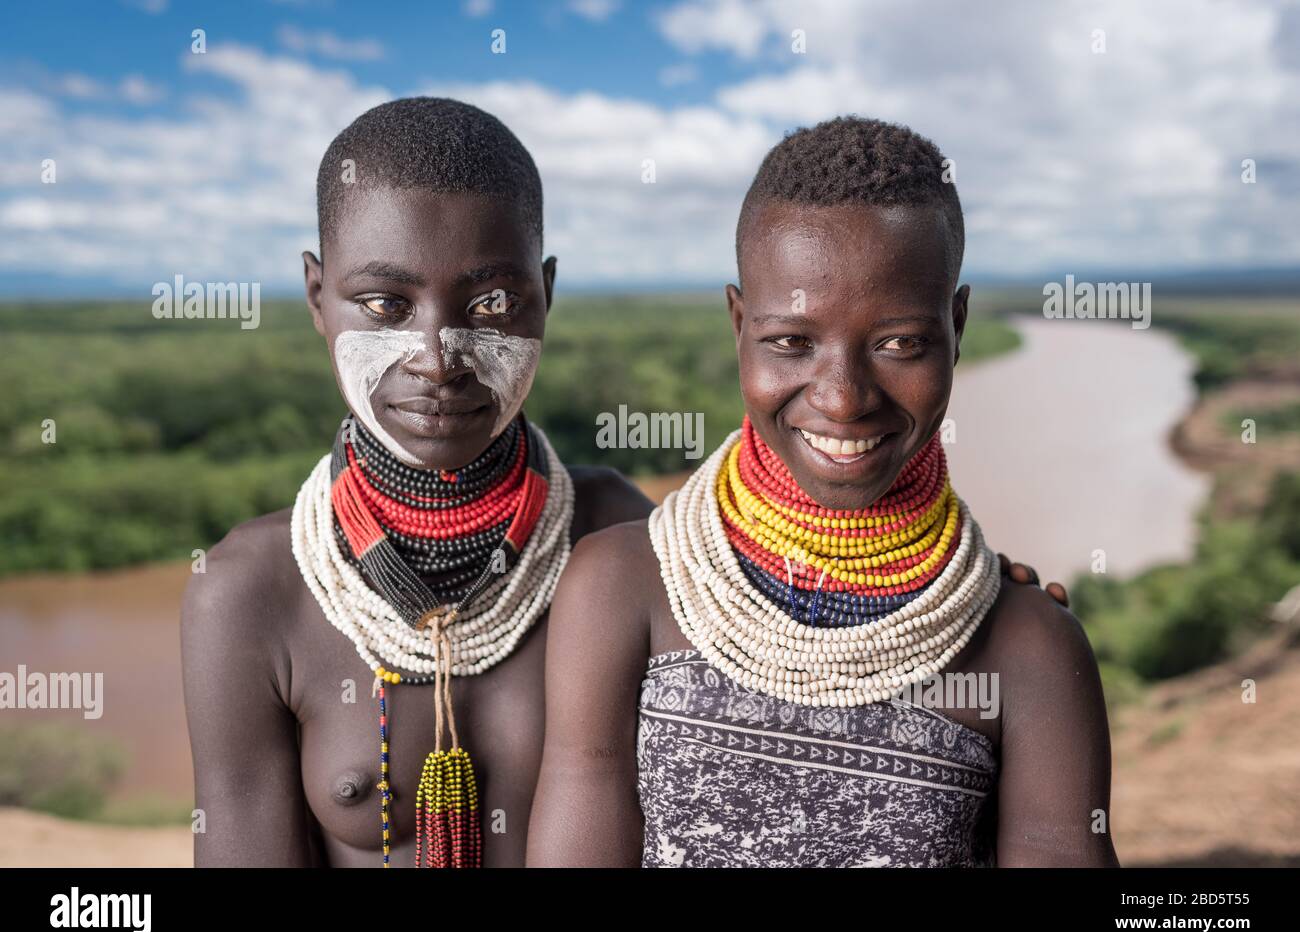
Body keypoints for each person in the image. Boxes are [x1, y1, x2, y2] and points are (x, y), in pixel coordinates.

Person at [526, 117, 1116, 867]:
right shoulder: (617, 588)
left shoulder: (1029, 648)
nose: (842, 399)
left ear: (957, 327)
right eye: (792, 342)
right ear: (740, 325)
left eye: (899, 342)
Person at [180, 97, 651, 867]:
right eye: (384, 304)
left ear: (547, 295)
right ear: (316, 300)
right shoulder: (245, 592)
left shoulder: (620, 539)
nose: (437, 357)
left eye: (491, 303)